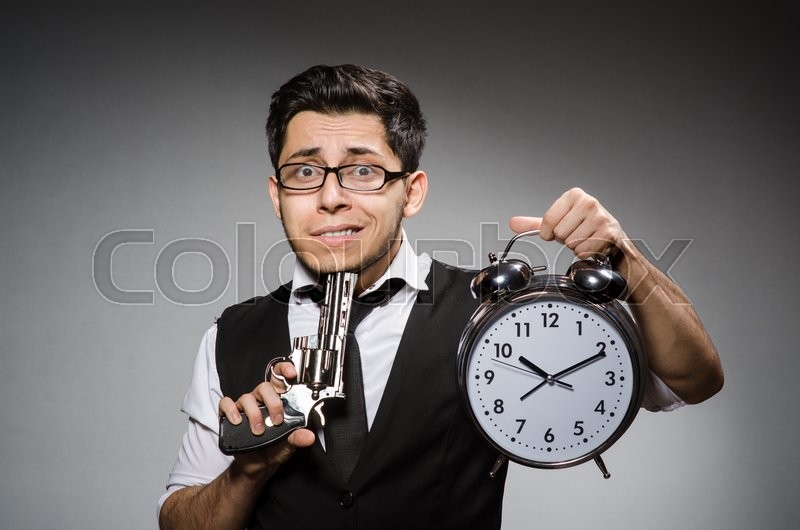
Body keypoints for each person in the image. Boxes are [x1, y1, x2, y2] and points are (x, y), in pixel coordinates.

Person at [158, 64, 723, 529]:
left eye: (361, 171)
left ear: (412, 191)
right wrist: (247, 472)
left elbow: (694, 380)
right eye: (305, 172)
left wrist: (622, 252)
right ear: (277, 194)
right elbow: (181, 520)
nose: (330, 197)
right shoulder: (229, 335)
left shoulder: (498, 313)